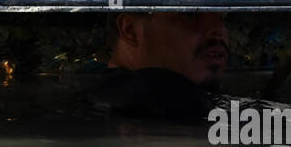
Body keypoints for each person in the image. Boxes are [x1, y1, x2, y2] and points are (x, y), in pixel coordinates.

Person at [83, 12, 229, 118]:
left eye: (222, 17)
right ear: (130, 30)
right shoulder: (154, 92)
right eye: (190, 14)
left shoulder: (104, 93)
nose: (218, 30)